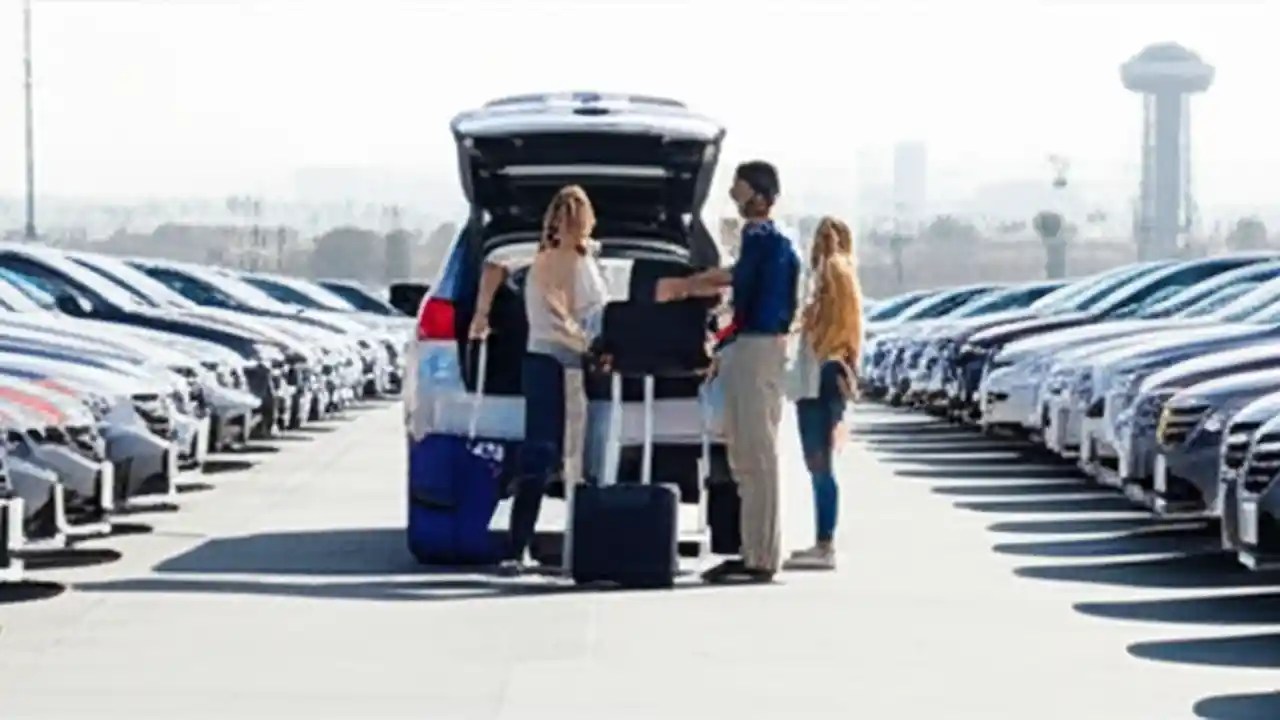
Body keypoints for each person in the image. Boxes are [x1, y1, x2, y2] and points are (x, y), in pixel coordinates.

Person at [658, 161, 801, 584]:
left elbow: (737, 279)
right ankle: (754, 549)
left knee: (755, 453)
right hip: (752, 348)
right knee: (747, 453)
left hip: (758, 348)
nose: (733, 193)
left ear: (758, 193)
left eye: (739, 186)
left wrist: (685, 286)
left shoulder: (764, 240)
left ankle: (760, 555)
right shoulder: (768, 242)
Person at [469, 185, 608, 575]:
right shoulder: (541, 257)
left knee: (574, 456)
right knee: (544, 452)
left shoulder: (582, 262)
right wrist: (481, 314)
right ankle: (520, 545)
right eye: (562, 216)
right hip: (550, 359)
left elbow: (593, 314)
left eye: (573, 217)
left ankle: (571, 545)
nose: (566, 224)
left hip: (571, 362)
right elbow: (495, 263)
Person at [782, 217, 862, 571]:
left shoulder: (830, 273)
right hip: (827, 375)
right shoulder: (843, 274)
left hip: (820, 377)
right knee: (822, 464)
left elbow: (822, 322)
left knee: (820, 462)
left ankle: (824, 542)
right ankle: (823, 539)